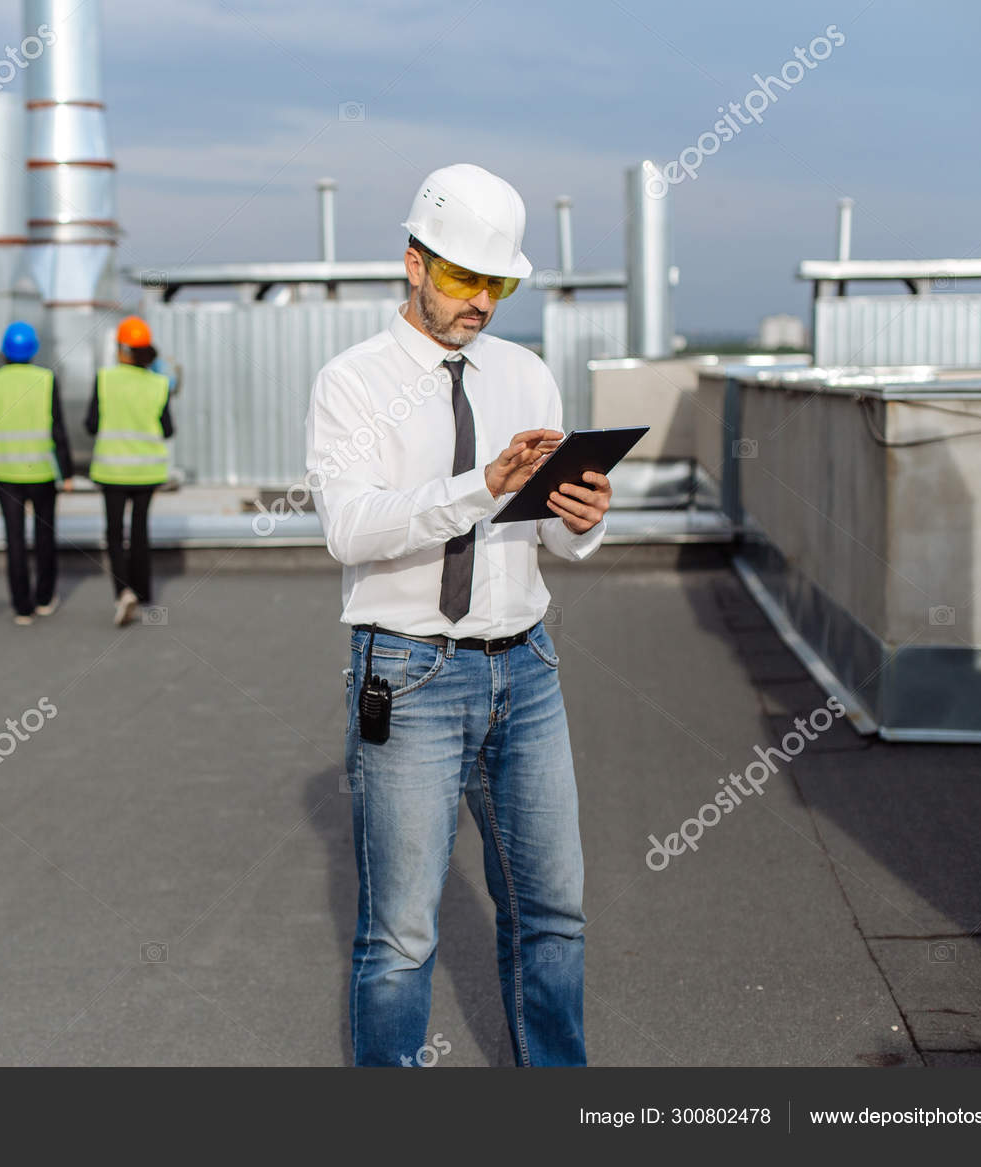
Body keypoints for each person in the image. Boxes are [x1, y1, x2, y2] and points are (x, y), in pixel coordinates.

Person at [304, 163, 613, 1067]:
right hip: (409, 673)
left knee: (553, 914)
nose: (482, 299)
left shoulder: (527, 374)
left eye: (499, 282)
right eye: (464, 278)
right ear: (413, 263)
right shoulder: (352, 383)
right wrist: (482, 485)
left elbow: (552, 538)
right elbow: (350, 528)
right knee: (401, 937)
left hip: (528, 666)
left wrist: (584, 521)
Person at [0, 321, 74, 626]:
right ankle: (44, 598)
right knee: (44, 537)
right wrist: (67, 472)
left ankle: (22, 607)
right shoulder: (46, 380)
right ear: (33, 350)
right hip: (42, 472)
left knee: (15, 541)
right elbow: (58, 429)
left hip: (5, 472)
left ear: (4, 350)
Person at [87, 315, 174, 627]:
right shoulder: (159, 383)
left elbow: (91, 424)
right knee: (140, 532)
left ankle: (122, 592)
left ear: (121, 348)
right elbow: (167, 429)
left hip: (111, 471)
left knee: (114, 533)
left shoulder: (105, 379)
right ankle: (144, 591)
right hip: (147, 472)